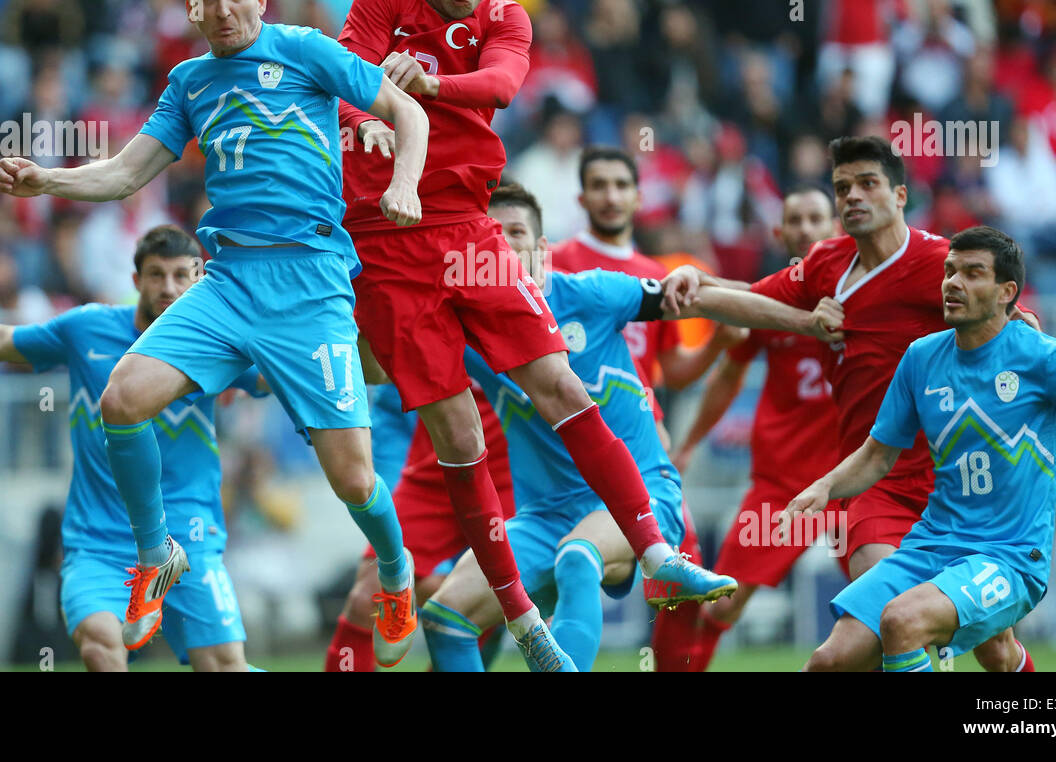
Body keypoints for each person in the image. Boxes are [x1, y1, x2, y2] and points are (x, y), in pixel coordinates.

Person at [0, 0, 430, 664]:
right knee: (122, 399)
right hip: (224, 283)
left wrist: (404, 181)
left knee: (354, 479)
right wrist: (48, 180)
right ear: (191, 7)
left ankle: (395, 570)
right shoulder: (190, 82)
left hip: (311, 287)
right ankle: (155, 552)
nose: (225, 10)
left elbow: (405, 112)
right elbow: (129, 172)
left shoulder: (306, 50)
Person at [337, 0, 735, 665]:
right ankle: (517, 615)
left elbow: (502, 86)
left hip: (464, 227)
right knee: (455, 438)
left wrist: (425, 87)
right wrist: (370, 114)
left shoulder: (506, 18)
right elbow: (346, 69)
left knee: (562, 387)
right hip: (387, 242)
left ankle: (657, 552)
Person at [420, 183, 839, 671]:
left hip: (638, 496)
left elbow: (704, 298)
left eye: (516, 233)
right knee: (443, 618)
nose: (505, 245)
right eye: (494, 236)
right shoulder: (470, 333)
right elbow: (381, 367)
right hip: (545, 514)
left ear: (541, 251)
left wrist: (806, 320)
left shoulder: (591, 293)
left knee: (577, 559)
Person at [664, 135, 1041, 671]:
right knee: (875, 625)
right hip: (867, 481)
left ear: (900, 194)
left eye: (867, 184)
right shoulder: (825, 267)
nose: (854, 197)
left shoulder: (940, 263)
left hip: (952, 482)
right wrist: (693, 285)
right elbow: (754, 299)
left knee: (996, 650)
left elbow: (1013, 328)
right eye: (843, 187)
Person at [785, 226, 1056, 671]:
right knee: (826, 662)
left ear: (1006, 292)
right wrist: (824, 488)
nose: (953, 283)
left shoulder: (1044, 359)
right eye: (949, 271)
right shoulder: (921, 357)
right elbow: (878, 455)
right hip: (932, 543)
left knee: (902, 621)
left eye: (973, 273)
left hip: (1011, 556)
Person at [0, 225, 267, 671]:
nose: (168, 287)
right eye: (156, 275)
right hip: (99, 541)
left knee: (224, 664)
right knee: (99, 642)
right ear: (136, 282)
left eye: (179, 275)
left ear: (199, 279)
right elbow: (0, 341)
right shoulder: (88, 329)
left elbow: (275, 375)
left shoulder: (217, 341)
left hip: (189, 536)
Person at [549, 145, 733, 670]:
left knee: (686, 577)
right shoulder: (556, 264)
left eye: (620, 185)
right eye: (599, 186)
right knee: (520, 589)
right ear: (581, 196)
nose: (610, 196)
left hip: (641, 444)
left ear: (637, 195)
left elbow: (669, 369)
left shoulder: (655, 272)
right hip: (566, 449)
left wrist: (718, 344)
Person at [668, 186, 844, 671]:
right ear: (779, 231)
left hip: (859, 479)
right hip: (785, 484)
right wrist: (687, 446)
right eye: (796, 220)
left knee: (890, 608)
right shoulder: (769, 302)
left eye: (816, 219)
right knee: (720, 603)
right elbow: (728, 374)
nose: (806, 228)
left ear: (836, 230)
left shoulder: (867, 296)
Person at [324, 386, 515, 672]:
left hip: (512, 468)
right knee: (368, 599)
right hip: (433, 467)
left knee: (489, 601)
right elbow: (378, 372)